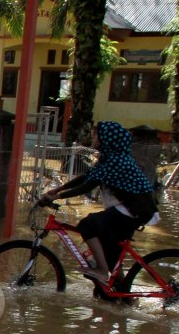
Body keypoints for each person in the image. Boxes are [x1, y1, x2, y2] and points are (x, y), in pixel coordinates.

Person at [37, 120, 160, 283]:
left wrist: (56, 197)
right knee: (111, 258)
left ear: (106, 139)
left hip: (134, 210)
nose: (93, 138)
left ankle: (101, 271)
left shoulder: (116, 161)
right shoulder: (111, 158)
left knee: (88, 225)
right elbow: (88, 177)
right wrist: (57, 189)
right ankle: (121, 294)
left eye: (96, 135)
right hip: (131, 209)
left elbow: (88, 186)